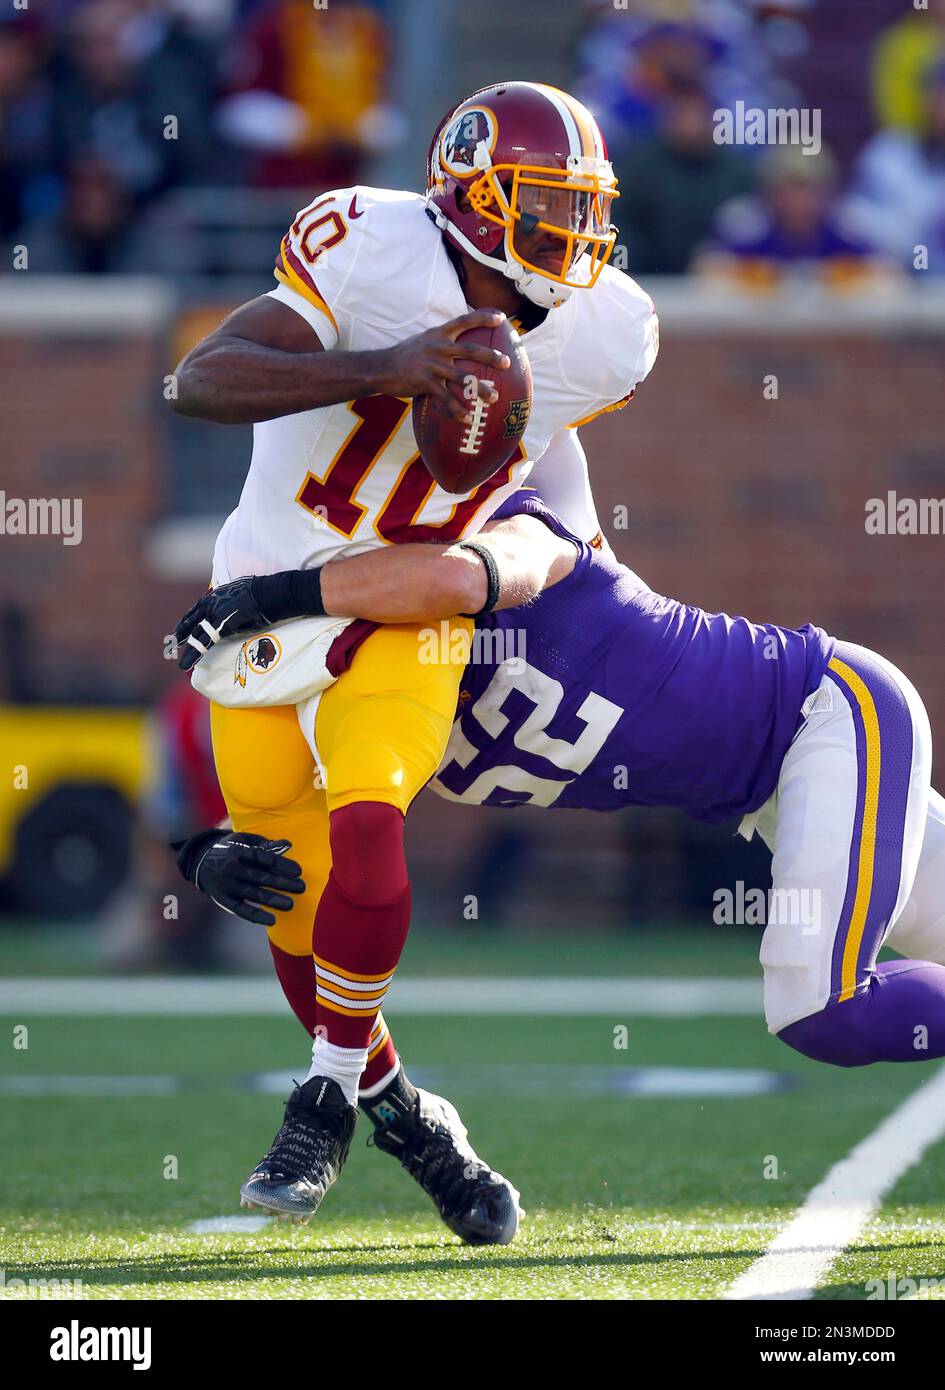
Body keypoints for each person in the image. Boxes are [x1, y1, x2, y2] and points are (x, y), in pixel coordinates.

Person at [175, 488, 945, 1231]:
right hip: (771, 803)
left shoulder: (512, 530)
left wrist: (277, 590)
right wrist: (205, 853)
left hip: (827, 714)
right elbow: (320, 878)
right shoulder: (360, 683)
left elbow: (455, 570)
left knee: (820, 1004)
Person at [167, 80, 659, 1235]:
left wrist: (550, 548)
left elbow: (547, 446)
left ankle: (325, 1099)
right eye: (545, 206)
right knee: (291, 905)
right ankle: (408, 1116)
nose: (574, 236)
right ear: (471, 198)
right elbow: (198, 380)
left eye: (585, 209)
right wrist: (386, 367)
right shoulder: (367, 246)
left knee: (371, 826)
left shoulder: (610, 326)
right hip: (262, 607)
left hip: (403, 613)